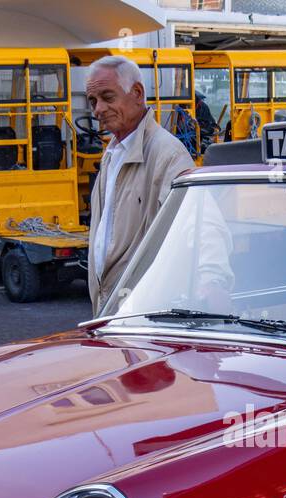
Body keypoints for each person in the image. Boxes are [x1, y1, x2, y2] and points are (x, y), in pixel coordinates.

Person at [86, 55, 195, 313]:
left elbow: (200, 231)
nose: (98, 109)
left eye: (107, 97)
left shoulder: (168, 155)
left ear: (137, 93)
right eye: (93, 101)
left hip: (142, 313)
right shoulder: (113, 153)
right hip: (113, 310)